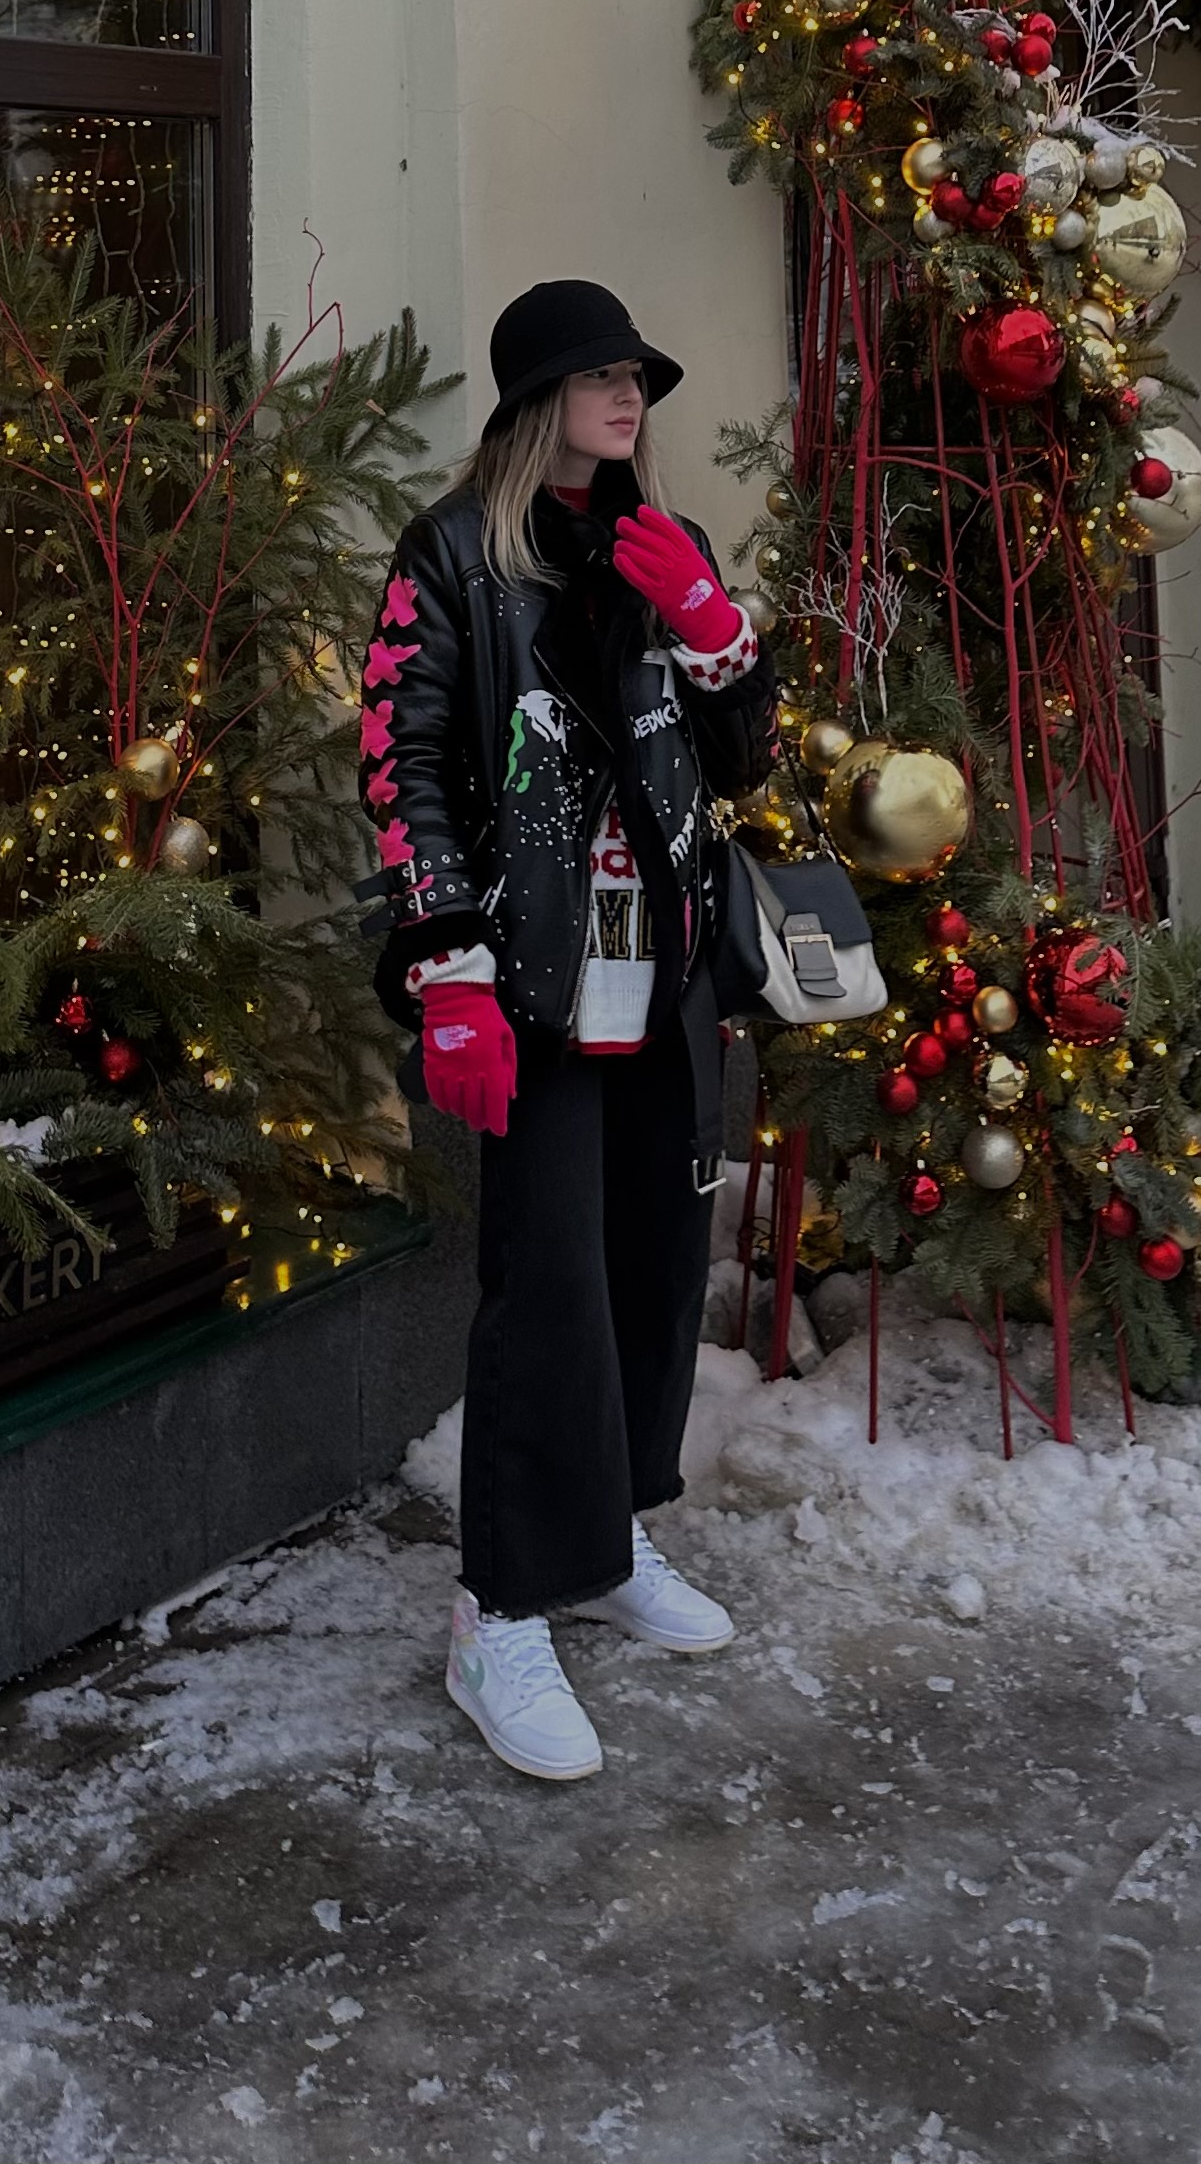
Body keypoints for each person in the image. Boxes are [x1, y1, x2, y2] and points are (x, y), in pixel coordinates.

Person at [359, 279, 779, 1780]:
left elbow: (741, 759)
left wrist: (717, 636)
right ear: (538, 397)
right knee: (546, 1285)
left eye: (638, 378)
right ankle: (501, 1610)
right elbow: (400, 755)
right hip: (527, 975)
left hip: (660, 966)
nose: (630, 397)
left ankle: (603, 1542)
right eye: (603, 375)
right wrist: (449, 961)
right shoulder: (454, 552)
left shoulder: (665, 543)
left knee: (656, 1267)